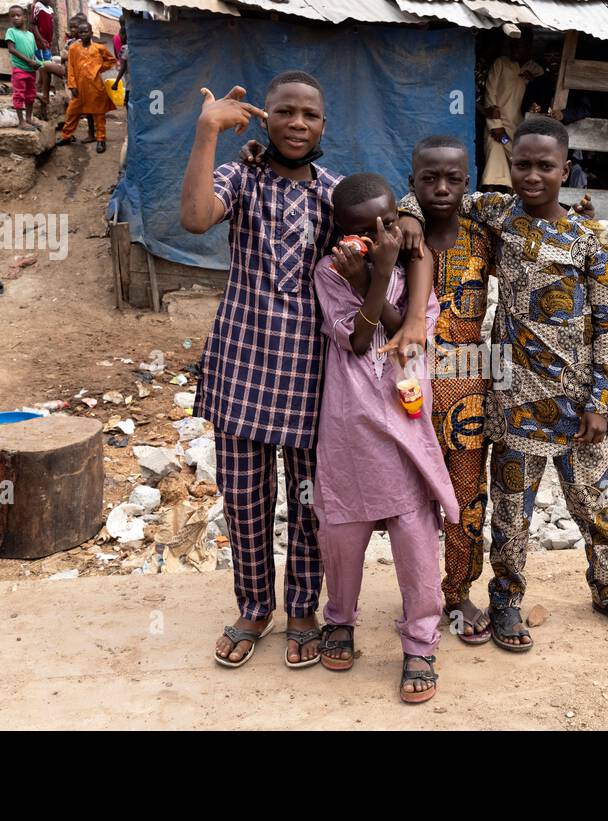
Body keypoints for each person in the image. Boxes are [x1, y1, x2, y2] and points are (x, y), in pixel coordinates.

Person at [178, 72, 432, 670]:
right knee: (244, 500)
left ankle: (302, 610)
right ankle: (253, 607)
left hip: (314, 377)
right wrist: (206, 133)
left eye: (309, 115)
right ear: (264, 117)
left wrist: (412, 239)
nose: (296, 124)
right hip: (241, 363)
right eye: (285, 112)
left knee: (312, 504)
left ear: (324, 124)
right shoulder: (241, 178)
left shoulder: (336, 193)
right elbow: (193, 218)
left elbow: (403, 230)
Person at [398, 117, 608, 653]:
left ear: (566, 170)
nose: (532, 175)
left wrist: (602, 403)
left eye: (545, 166)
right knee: (511, 514)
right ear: (508, 166)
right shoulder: (495, 214)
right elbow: (431, 191)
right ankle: (506, 599)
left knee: (593, 506)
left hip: (576, 403)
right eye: (522, 165)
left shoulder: (590, 241)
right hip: (513, 400)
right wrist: (405, 214)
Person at [312, 173, 457, 703]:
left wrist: (380, 274)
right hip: (349, 429)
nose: (382, 235)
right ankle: (340, 620)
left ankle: (420, 642)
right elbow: (354, 341)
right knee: (342, 535)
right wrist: (365, 279)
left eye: (390, 223)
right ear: (341, 233)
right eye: (366, 230)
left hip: (404, 427)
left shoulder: (414, 272)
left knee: (416, 539)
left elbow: (404, 333)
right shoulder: (329, 273)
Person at [407, 135, 495, 644]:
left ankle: (458, 592)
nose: (441, 189)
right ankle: (419, 593)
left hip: (468, 386)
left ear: (468, 181)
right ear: (412, 179)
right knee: (410, 502)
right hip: (405, 385)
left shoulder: (484, 237)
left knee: (466, 498)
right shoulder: (398, 235)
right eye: (428, 179)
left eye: (453, 179)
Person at [479, 33, 543, 191]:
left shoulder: (535, 70)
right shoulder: (500, 63)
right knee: (493, 176)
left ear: (529, 47)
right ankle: (487, 211)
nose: (514, 48)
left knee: (517, 173)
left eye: (519, 45)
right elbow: (490, 94)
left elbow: (543, 91)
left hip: (519, 131)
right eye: (512, 44)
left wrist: (533, 79)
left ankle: (514, 214)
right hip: (497, 131)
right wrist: (496, 126)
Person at [57, 19, 116, 152]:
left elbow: (112, 60)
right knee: (72, 112)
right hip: (79, 88)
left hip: (95, 87)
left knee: (99, 114)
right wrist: (72, 85)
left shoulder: (99, 48)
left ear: (91, 33)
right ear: (78, 33)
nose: (83, 34)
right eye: (81, 32)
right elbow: (71, 67)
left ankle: (101, 139)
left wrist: (100, 67)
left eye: (86, 32)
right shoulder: (73, 48)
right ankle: (66, 136)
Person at [4, 5, 43, 131]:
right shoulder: (11, 31)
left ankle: (29, 119)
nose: (16, 18)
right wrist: (29, 62)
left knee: (30, 95)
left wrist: (36, 62)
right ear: (10, 18)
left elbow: (33, 53)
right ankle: (21, 122)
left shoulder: (31, 35)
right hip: (19, 69)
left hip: (31, 71)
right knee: (19, 95)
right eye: (12, 16)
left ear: (24, 17)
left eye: (18, 15)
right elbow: (12, 49)